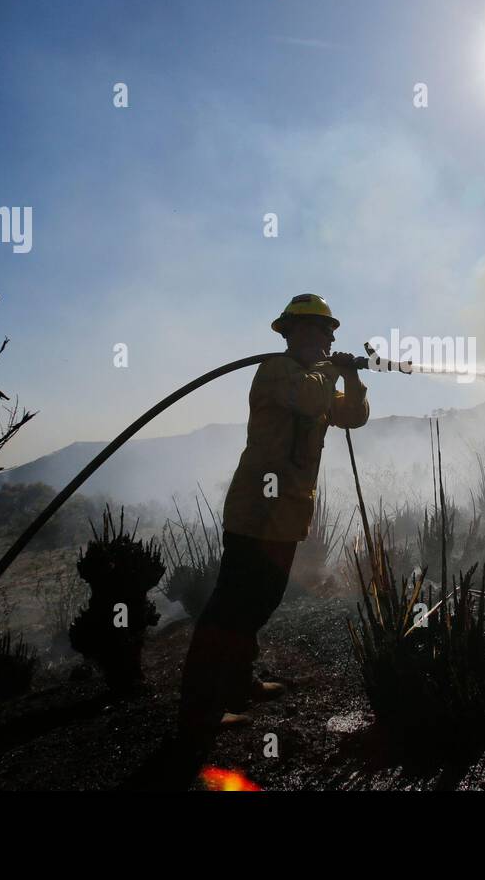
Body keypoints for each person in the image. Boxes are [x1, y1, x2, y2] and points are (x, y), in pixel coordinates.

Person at [178, 294, 368, 742]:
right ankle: (198, 711)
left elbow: (354, 416)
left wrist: (353, 377)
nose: (329, 340)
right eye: (324, 332)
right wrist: (334, 368)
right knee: (230, 606)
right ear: (297, 330)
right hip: (256, 511)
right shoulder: (278, 372)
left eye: (331, 335)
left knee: (259, 602)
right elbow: (307, 401)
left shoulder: (317, 377)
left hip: (285, 515)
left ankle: (238, 684)